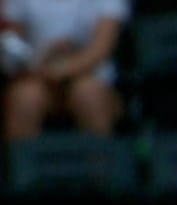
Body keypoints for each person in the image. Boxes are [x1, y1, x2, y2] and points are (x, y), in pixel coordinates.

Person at [1, 0, 128, 140]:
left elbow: (100, 50)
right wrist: (38, 61)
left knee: (88, 94)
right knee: (25, 98)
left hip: (91, 75)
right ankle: (21, 160)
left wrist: (63, 69)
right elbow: (13, 43)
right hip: (36, 74)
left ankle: (101, 159)